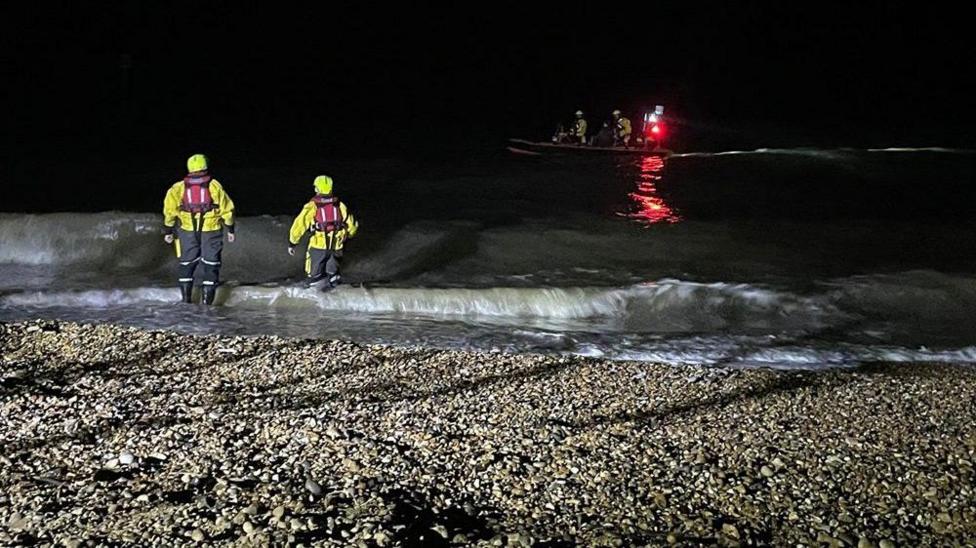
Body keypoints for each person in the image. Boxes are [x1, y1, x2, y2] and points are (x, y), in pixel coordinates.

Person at [162, 154, 236, 305]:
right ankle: (207, 306)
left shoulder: (177, 188)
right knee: (211, 266)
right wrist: (230, 229)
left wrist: (168, 231)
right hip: (211, 231)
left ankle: (186, 302)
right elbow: (227, 210)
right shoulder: (215, 186)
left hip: (187, 231)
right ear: (206, 167)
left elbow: (169, 211)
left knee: (186, 265)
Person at [288, 175, 359, 289]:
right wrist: (348, 235)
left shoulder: (312, 206)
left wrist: (293, 242)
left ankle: (317, 300)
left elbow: (299, 224)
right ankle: (337, 299)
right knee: (333, 276)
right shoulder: (340, 205)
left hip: (318, 247)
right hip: (336, 247)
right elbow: (352, 225)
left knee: (314, 278)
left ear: (317, 189)